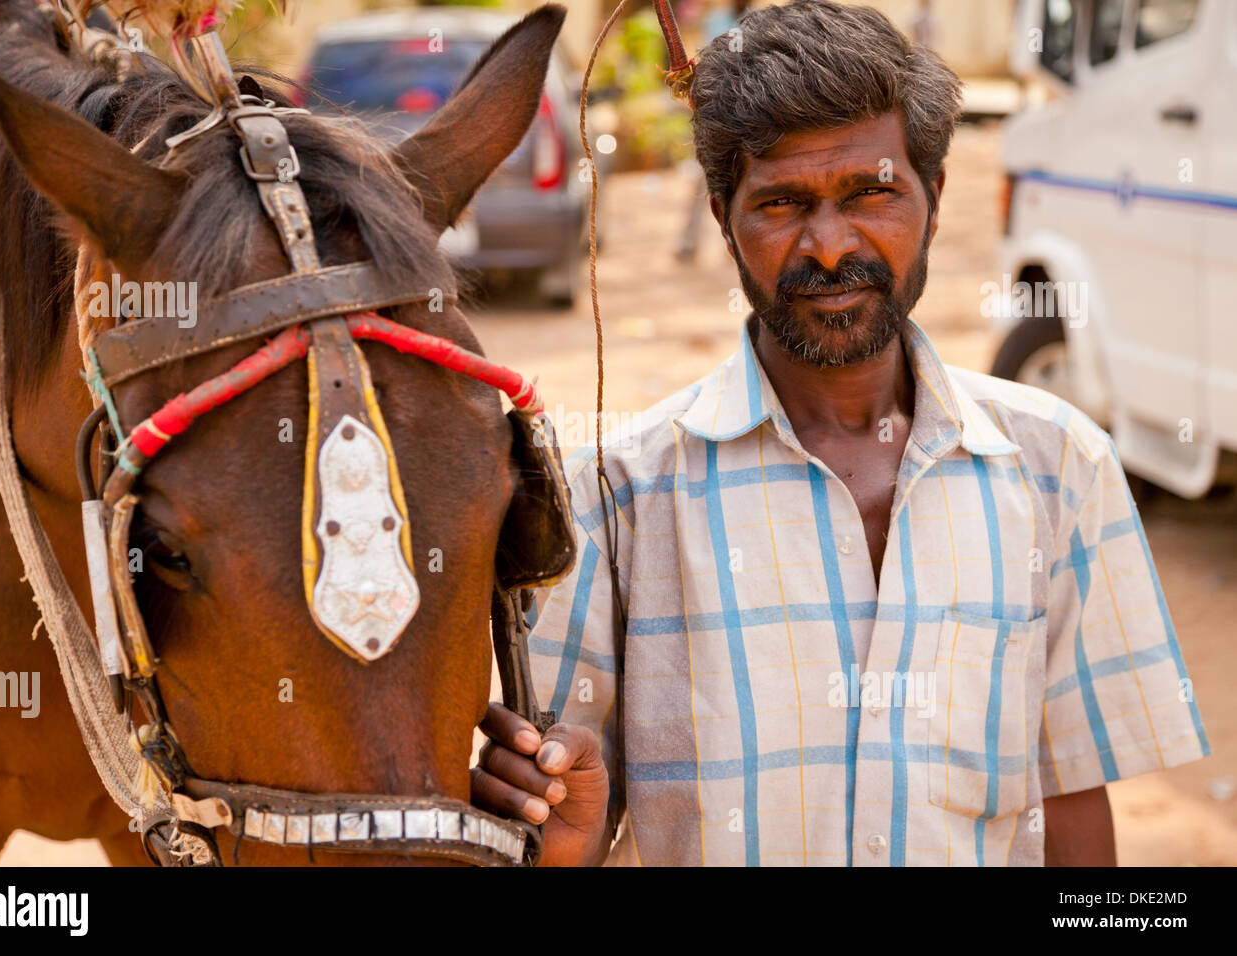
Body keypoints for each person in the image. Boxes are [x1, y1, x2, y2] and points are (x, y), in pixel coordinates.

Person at [471, 0, 1210, 866]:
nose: (828, 246)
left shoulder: (1059, 467)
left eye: (871, 193)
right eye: (781, 202)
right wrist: (561, 821)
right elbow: (569, 818)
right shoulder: (613, 493)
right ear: (723, 219)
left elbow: (1074, 821)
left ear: (935, 198)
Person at [675, 0, 751, 262]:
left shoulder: (758, 23)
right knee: (701, 179)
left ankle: (735, 245)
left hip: (747, 118)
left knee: (740, 180)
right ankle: (689, 241)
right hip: (714, 114)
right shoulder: (715, 21)